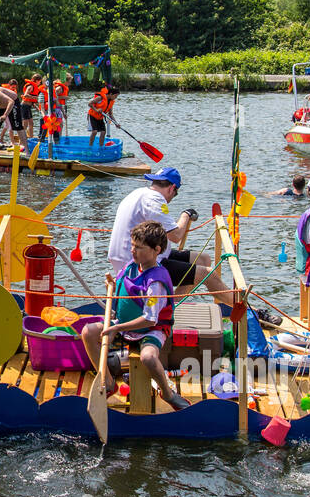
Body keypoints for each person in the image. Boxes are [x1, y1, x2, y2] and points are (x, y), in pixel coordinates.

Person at [85, 221, 189, 411]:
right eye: (132, 245)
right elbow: (121, 288)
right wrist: (112, 284)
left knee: (148, 357)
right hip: (124, 325)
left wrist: (116, 328)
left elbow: (150, 319)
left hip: (151, 330)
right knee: (88, 332)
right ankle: (108, 382)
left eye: (139, 248)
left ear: (156, 250)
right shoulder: (132, 266)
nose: (133, 251)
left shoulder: (155, 281)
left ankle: (167, 393)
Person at [107, 166, 228, 299]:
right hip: (137, 260)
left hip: (136, 253)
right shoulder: (154, 200)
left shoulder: (139, 193)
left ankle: (172, 304)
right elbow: (175, 236)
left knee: (203, 259)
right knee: (207, 274)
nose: (172, 198)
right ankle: (241, 307)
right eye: (175, 194)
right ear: (172, 188)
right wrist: (185, 215)